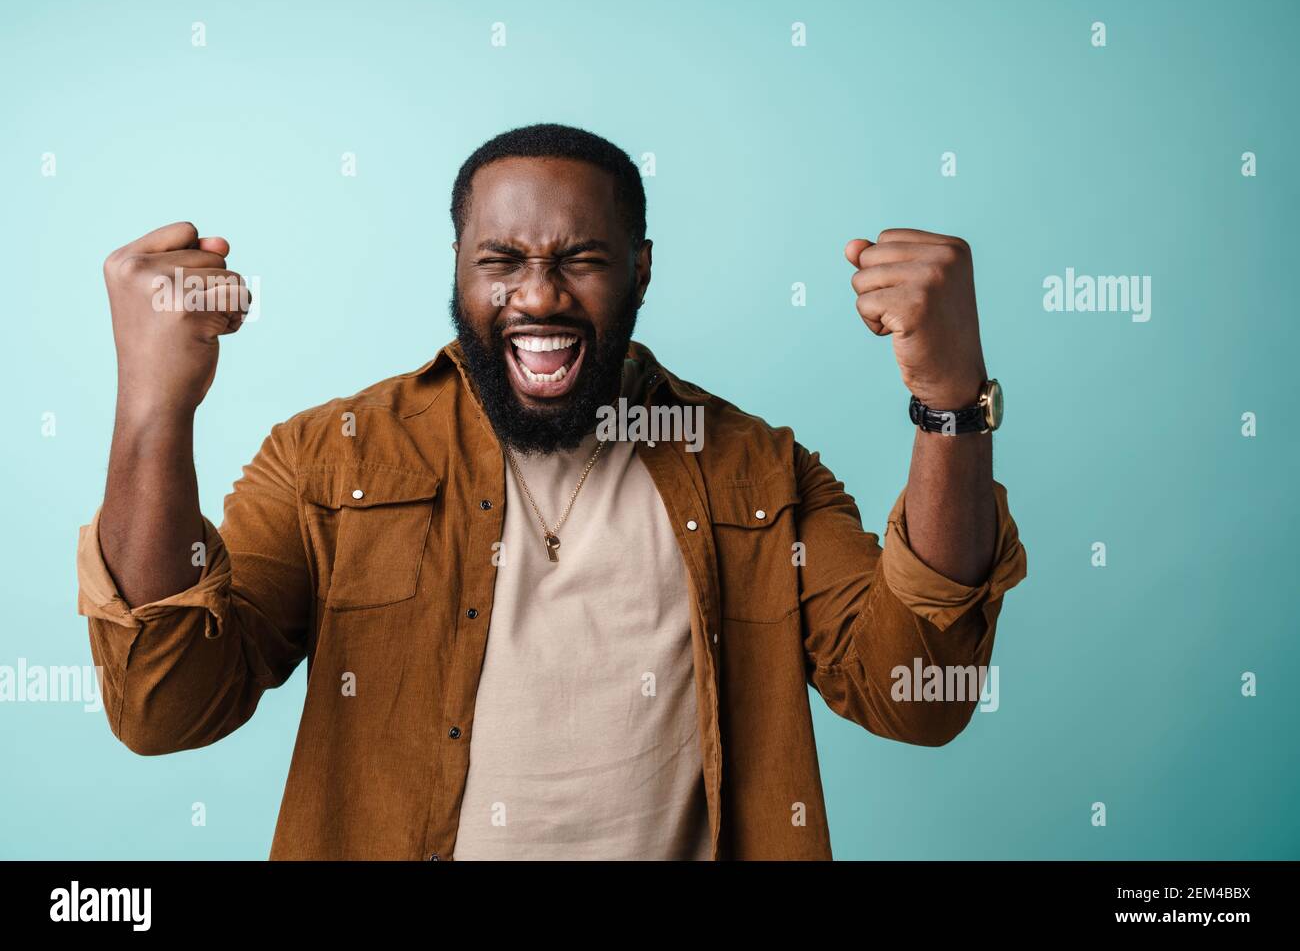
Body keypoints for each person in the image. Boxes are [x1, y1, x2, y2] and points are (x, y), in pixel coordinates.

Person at [77, 123, 1027, 860]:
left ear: (640, 270)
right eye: (501, 261)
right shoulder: (331, 456)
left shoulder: (757, 468)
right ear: (457, 268)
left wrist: (949, 403)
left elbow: (919, 697)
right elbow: (167, 706)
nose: (538, 296)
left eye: (580, 258)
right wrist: (155, 410)